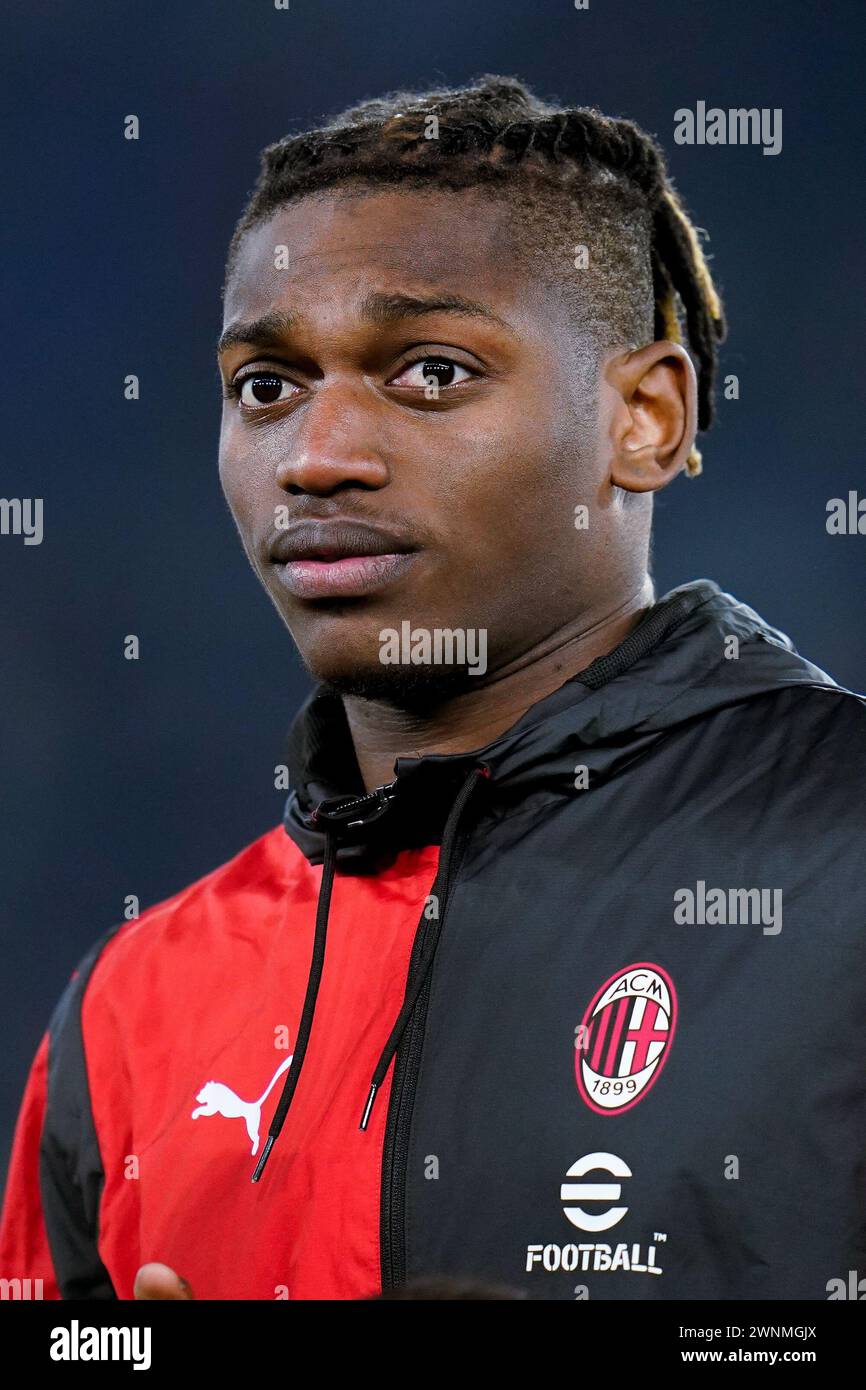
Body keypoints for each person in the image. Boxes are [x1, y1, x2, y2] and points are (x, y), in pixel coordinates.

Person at [2, 75, 864, 1302]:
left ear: (644, 418)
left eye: (431, 372)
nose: (317, 456)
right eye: (266, 386)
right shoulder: (133, 1002)